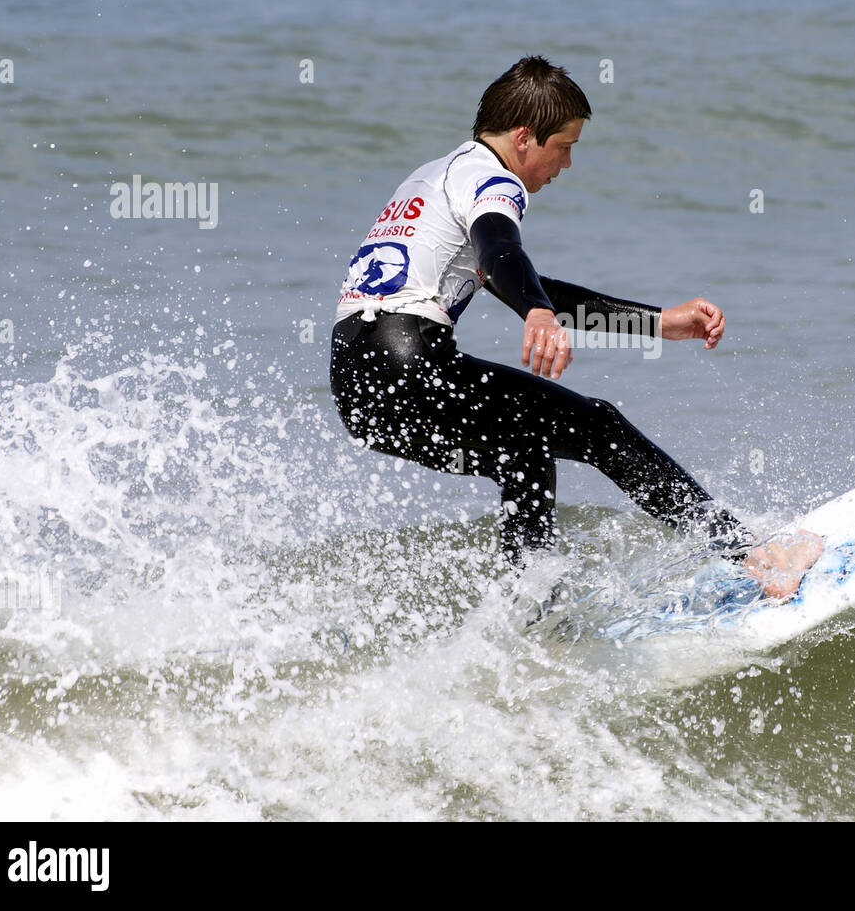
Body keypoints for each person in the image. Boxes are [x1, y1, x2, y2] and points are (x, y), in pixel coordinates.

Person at [330, 56, 814, 597]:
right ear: (523, 137)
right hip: (410, 360)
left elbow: (520, 278)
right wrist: (534, 311)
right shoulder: (493, 182)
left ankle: (527, 612)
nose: (565, 164)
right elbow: (502, 247)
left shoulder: (435, 179)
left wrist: (660, 324)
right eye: (563, 147)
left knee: (522, 452)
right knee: (601, 428)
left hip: (359, 389)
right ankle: (754, 557)